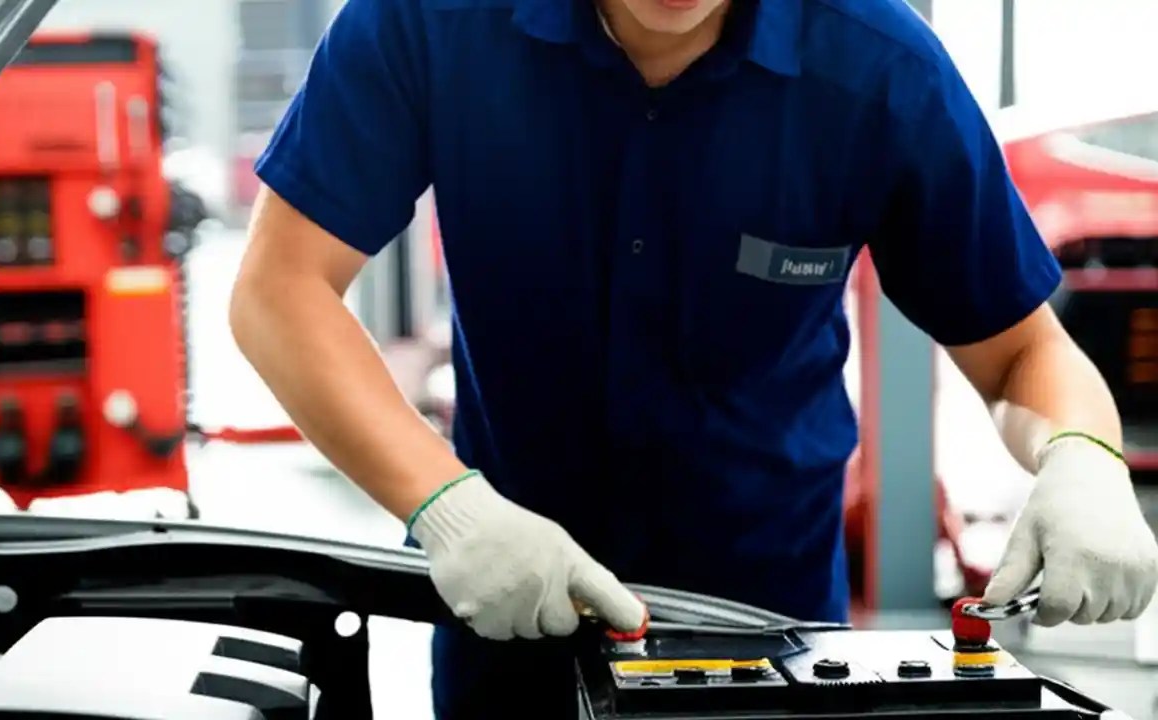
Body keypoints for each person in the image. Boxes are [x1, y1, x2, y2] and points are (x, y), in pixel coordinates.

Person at [229, 0, 1158, 717]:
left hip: (776, 640)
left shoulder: (878, 68)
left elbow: (1023, 350)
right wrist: (448, 509)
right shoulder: (430, 24)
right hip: (506, 609)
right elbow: (280, 292)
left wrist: (1083, 457)